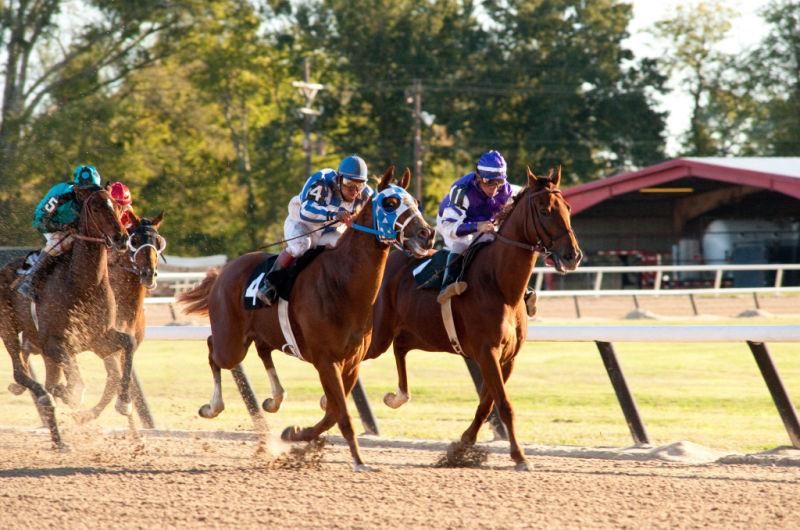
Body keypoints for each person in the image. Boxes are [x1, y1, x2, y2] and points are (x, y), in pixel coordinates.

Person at [256, 155, 373, 306]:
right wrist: (334, 214)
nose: (354, 190)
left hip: (329, 231)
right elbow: (307, 211)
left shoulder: (366, 194)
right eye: (349, 183)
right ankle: (270, 284)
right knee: (301, 246)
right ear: (338, 178)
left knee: (345, 248)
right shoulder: (321, 180)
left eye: (360, 185)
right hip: (301, 224)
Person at [435, 150, 520, 304]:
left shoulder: (507, 190)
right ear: (478, 177)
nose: (494, 188)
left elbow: (528, 197)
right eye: (489, 182)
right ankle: (447, 285)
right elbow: (449, 227)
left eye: (498, 182)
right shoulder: (462, 190)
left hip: (484, 222)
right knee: (463, 241)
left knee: (498, 242)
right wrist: (477, 226)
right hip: (450, 222)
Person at [16, 165, 103, 299]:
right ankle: (31, 280)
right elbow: (42, 220)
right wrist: (64, 227)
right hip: (48, 223)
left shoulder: (94, 200)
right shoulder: (61, 197)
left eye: (92, 190)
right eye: (84, 190)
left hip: (73, 226)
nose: (88, 194)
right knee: (62, 241)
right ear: (76, 188)